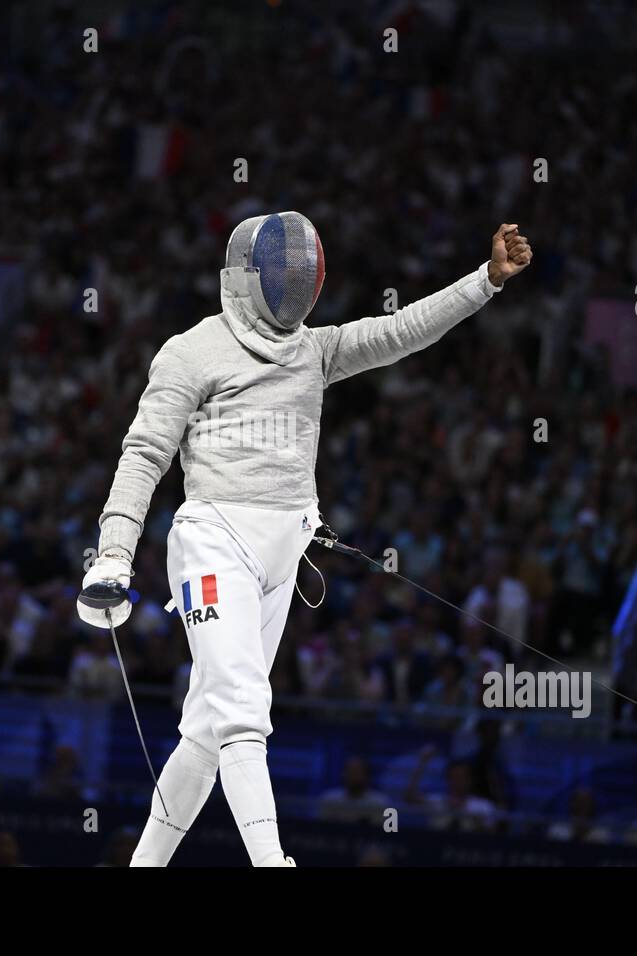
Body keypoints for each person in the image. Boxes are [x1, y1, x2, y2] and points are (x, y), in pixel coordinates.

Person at [78, 213, 532, 867]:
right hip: (214, 540)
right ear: (243, 277)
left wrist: (486, 280)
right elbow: (145, 452)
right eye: (281, 274)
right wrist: (115, 554)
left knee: (207, 730)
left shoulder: (313, 350)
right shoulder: (190, 352)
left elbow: (401, 331)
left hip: (281, 552)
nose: (294, 286)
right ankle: (273, 863)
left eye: (302, 275)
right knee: (241, 709)